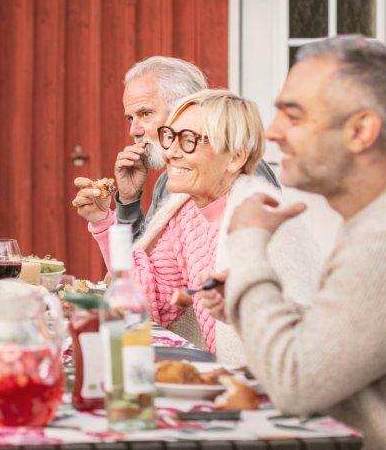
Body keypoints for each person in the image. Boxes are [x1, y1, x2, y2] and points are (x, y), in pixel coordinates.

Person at [199, 36, 386, 447]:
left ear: (360, 131)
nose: (272, 131)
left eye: (294, 116)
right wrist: (251, 303)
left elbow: (295, 384)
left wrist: (247, 243)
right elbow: (341, 342)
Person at [76, 90, 321, 363]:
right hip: (223, 374)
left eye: (189, 140)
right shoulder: (186, 212)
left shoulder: (263, 217)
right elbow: (148, 298)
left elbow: (301, 340)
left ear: (235, 158)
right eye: (170, 136)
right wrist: (103, 221)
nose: (170, 153)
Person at [74, 56, 279, 240]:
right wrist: (128, 200)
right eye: (130, 118)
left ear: (184, 109)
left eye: (145, 114)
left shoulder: (238, 170)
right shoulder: (170, 178)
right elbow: (147, 265)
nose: (133, 131)